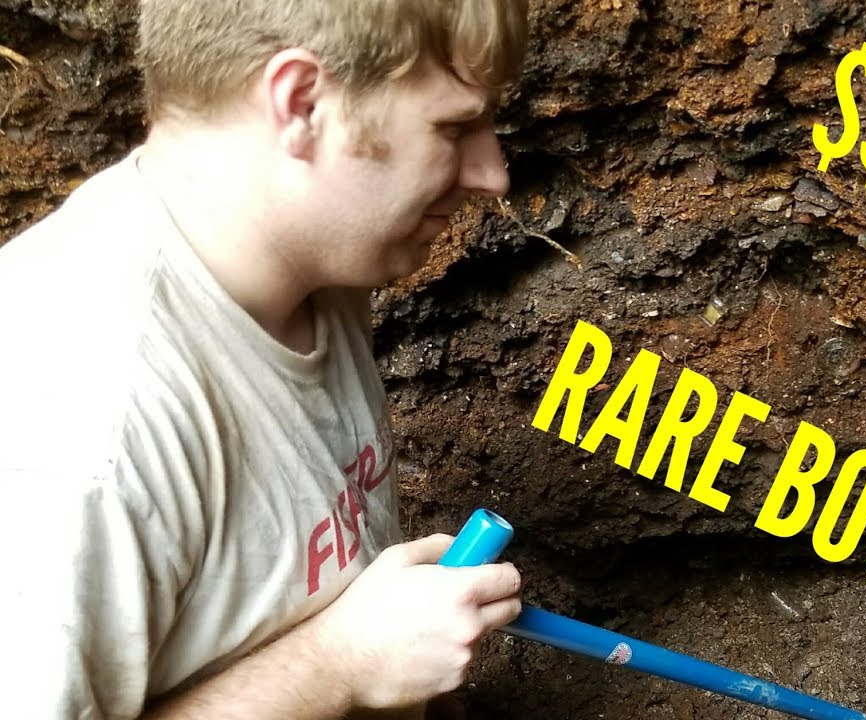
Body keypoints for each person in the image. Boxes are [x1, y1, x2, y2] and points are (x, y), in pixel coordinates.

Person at [0, 1, 529, 718]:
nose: (492, 173)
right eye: (454, 126)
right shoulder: (90, 428)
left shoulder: (321, 264)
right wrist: (338, 664)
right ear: (303, 104)